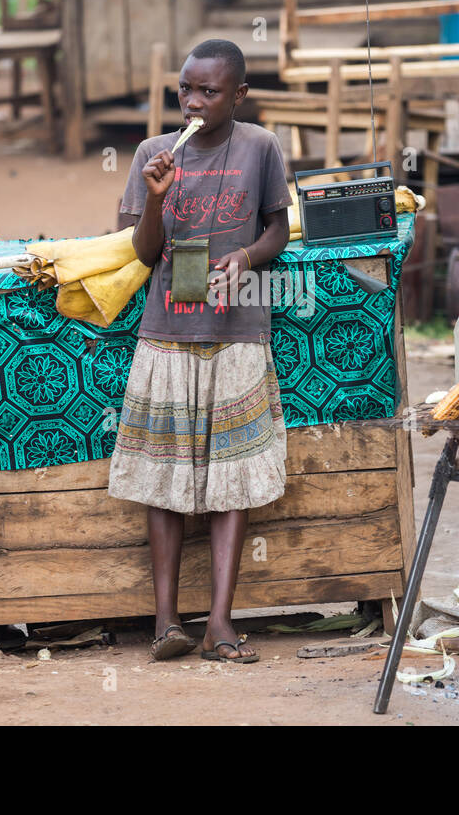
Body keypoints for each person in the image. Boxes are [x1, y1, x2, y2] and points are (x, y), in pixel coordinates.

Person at [112, 39, 292, 663]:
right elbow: (142, 251)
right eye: (185, 89)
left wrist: (246, 257)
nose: (193, 101)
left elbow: (278, 228)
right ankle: (165, 622)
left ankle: (220, 619)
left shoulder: (261, 147)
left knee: (231, 482)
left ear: (238, 95)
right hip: (167, 332)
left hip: (238, 332)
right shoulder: (151, 154)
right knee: (163, 479)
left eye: (209, 91)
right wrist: (158, 194)